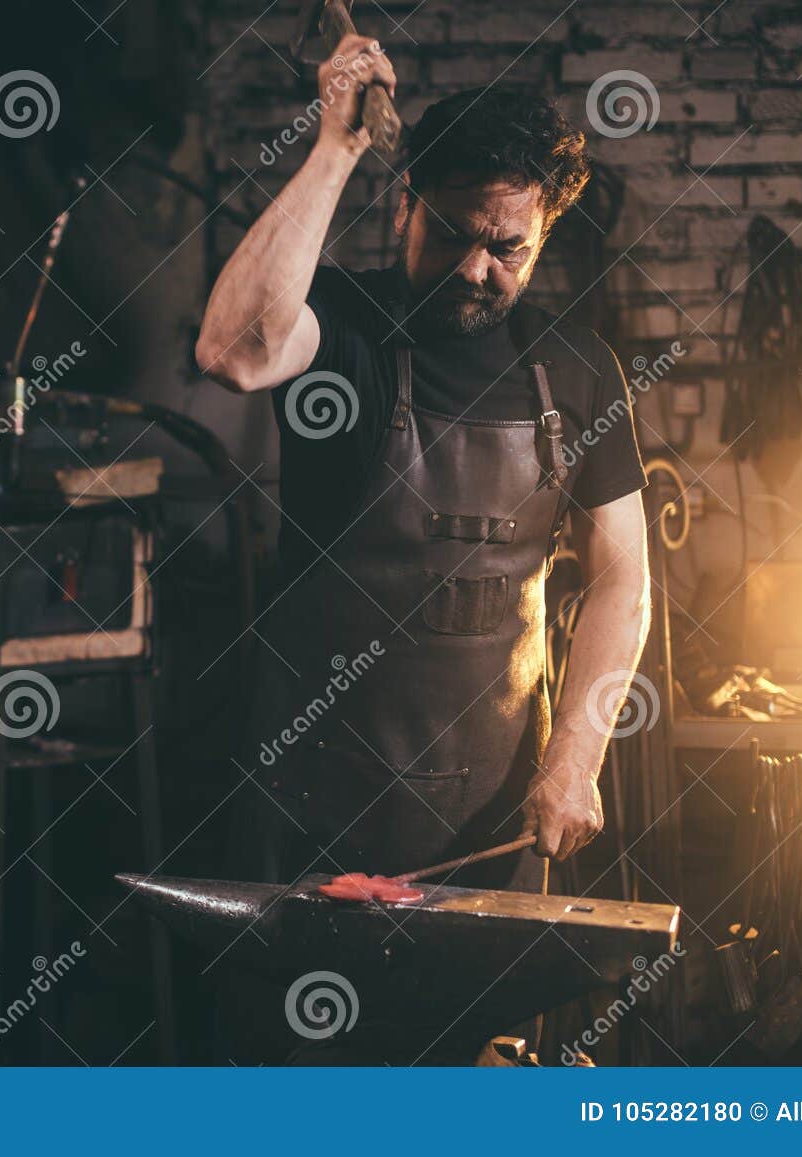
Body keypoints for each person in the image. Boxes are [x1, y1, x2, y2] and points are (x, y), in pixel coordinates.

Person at [197, 35, 651, 976]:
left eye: (505, 247)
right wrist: (335, 145)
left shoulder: (578, 370)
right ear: (406, 204)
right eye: (450, 231)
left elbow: (623, 579)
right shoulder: (340, 331)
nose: (473, 269)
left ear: (542, 236)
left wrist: (577, 754)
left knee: (474, 1099)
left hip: (492, 815)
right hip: (313, 813)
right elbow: (233, 350)